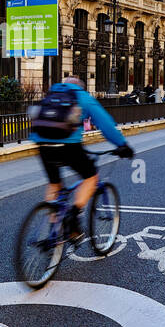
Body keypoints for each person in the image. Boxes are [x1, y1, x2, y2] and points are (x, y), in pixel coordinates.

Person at [30, 74, 134, 241]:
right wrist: (122, 145)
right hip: (68, 146)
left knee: (54, 184)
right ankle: (73, 214)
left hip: (42, 145)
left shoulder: (51, 94)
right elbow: (105, 124)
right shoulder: (83, 97)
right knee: (91, 177)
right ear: (80, 86)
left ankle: (53, 229)